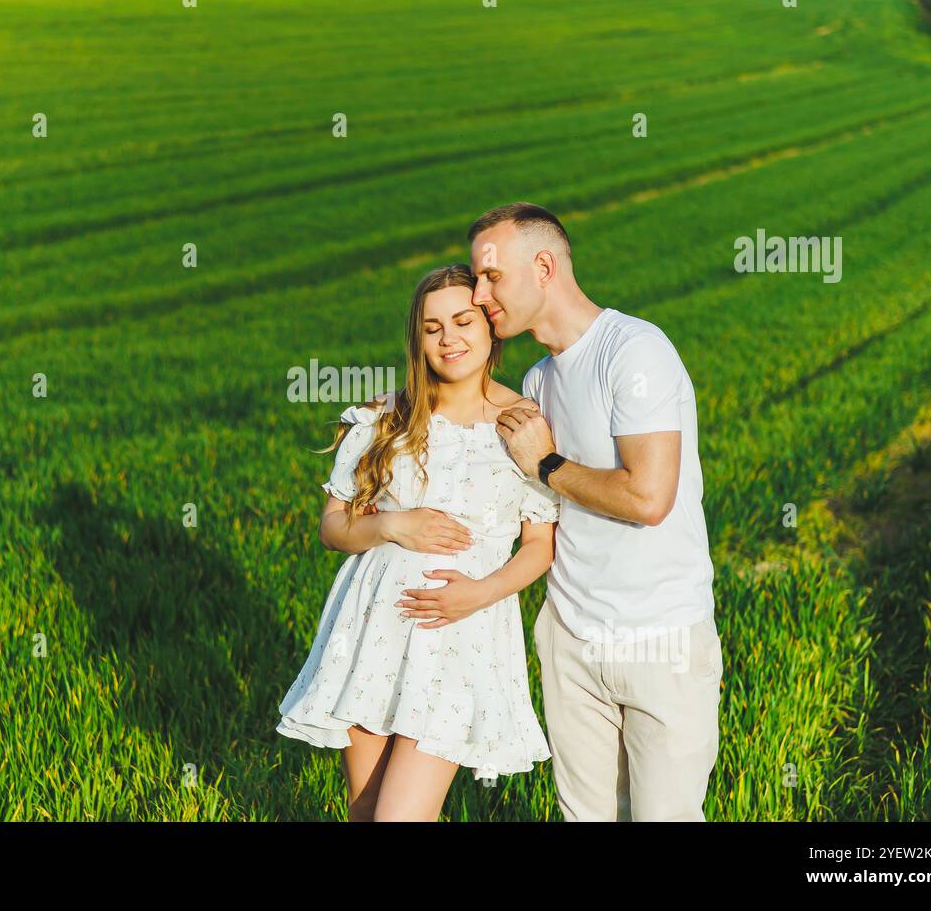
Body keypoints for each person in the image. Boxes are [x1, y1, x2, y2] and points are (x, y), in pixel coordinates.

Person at [276, 263, 559, 821]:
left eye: (463, 322)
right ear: (418, 339)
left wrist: (477, 594)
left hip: (460, 635)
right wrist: (391, 525)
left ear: (490, 328)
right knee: (365, 811)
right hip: (374, 629)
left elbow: (538, 546)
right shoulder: (386, 417)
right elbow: (333, 527)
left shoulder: (522, 423)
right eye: (433, 328)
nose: (449, 338)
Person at [468, 201, 722, 822]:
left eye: (492, 276)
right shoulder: (538, 381)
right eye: (477, 279)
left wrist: (547, 463)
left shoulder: (633, 351)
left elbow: (648, 498)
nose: (479, 296)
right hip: (572, 639)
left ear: (544, 267)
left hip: (660, 637)